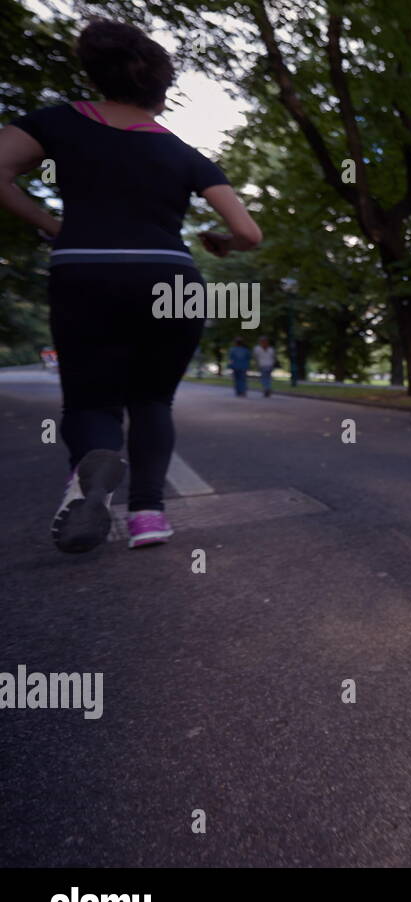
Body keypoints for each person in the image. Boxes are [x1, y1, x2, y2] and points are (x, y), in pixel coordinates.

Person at [0, 18, 262, 552]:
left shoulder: (56, 122)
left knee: (93, 402)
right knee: (153, 401)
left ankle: (91, 472)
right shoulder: (183, 152)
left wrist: (50, 224)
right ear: (161, 93)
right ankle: (148, 517)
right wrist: (220, 243)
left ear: (95, 75)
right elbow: (247, 232)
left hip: (87, 271)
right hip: (172, 278)